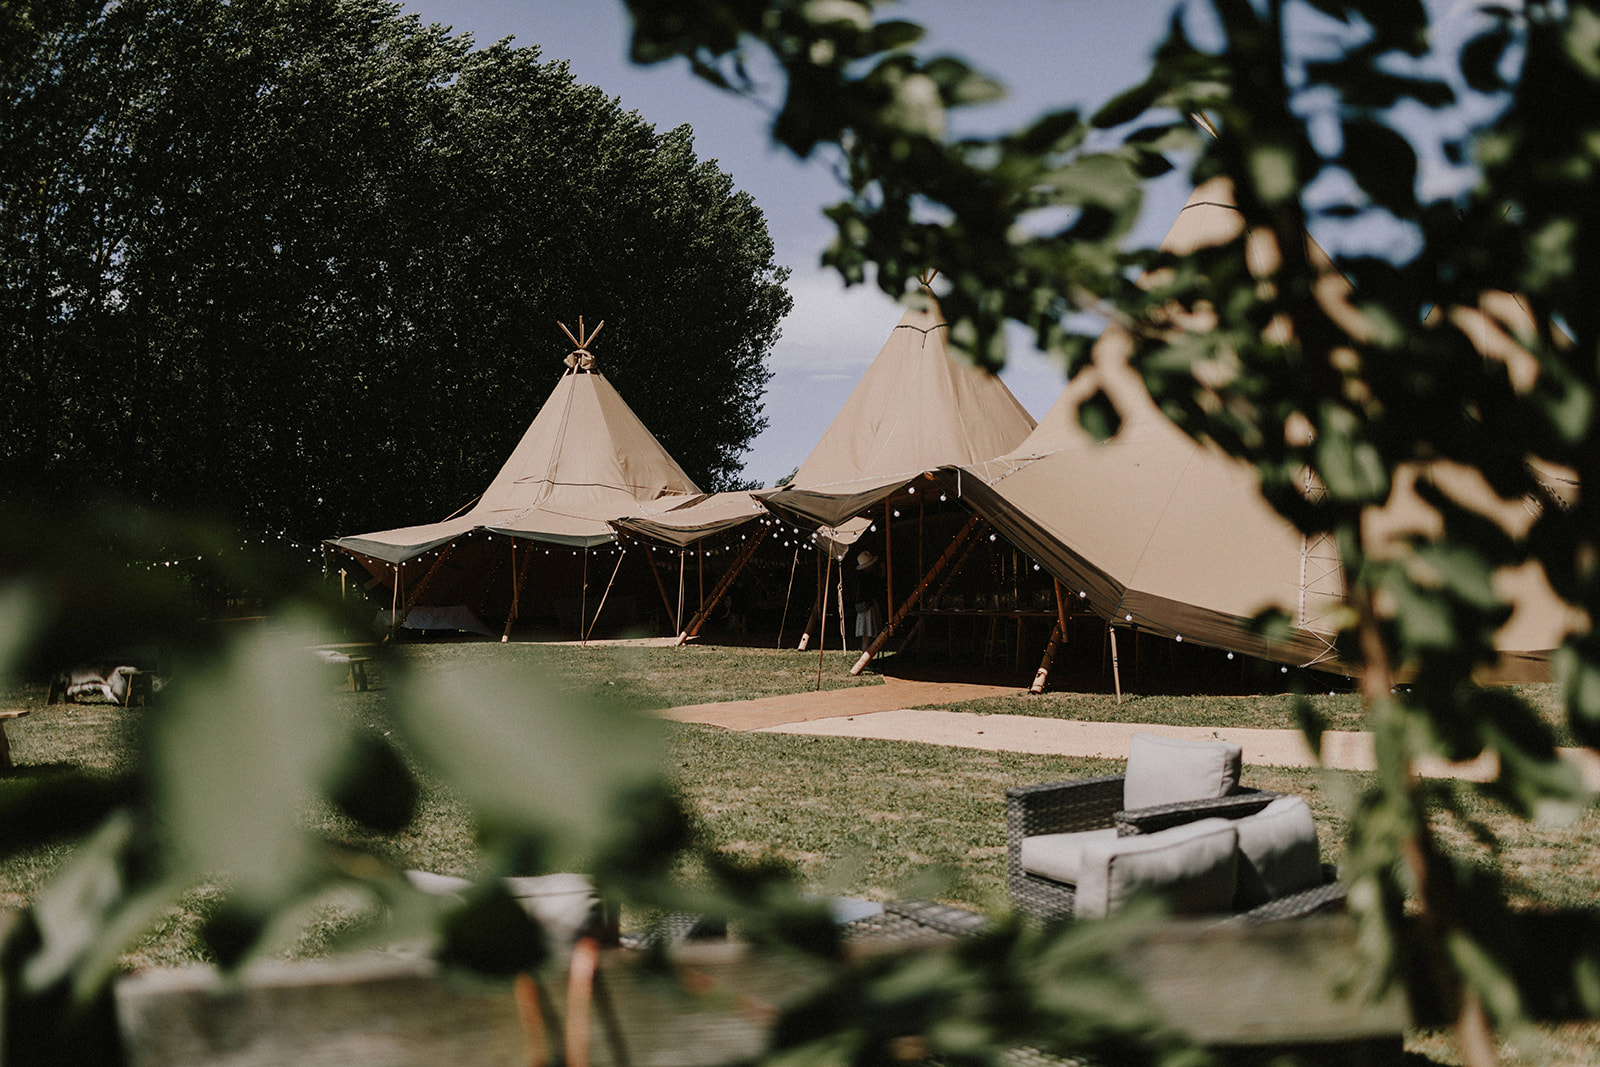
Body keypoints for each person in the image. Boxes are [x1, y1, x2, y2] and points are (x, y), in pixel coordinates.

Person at [853, 549, 884, 651]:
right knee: (867, 635)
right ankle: (865, 658)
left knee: (867, 635)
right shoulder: (867, 578)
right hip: (867, 608)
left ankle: (866, 657)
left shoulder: (861, 578)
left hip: (866, 607)